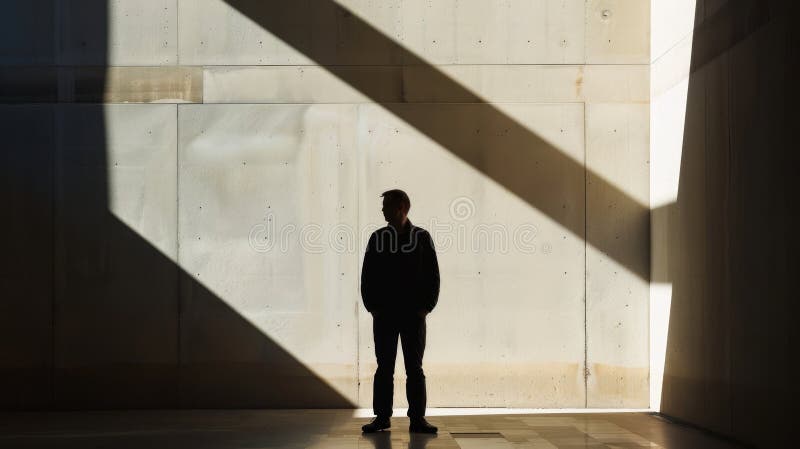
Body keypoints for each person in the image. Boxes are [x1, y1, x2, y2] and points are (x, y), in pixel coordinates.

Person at [360, 189, 440, 434]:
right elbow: (368, 275)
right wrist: (373, 307)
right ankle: (384, 418)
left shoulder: (422, 237)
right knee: (385, 367)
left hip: (411, 315)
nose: (382, 210)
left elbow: (432, 275)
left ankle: (416, 419)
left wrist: (425, 308)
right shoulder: (378, 237)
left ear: (400, 208)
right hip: (386, 314)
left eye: (386, 206)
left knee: (413, 368)